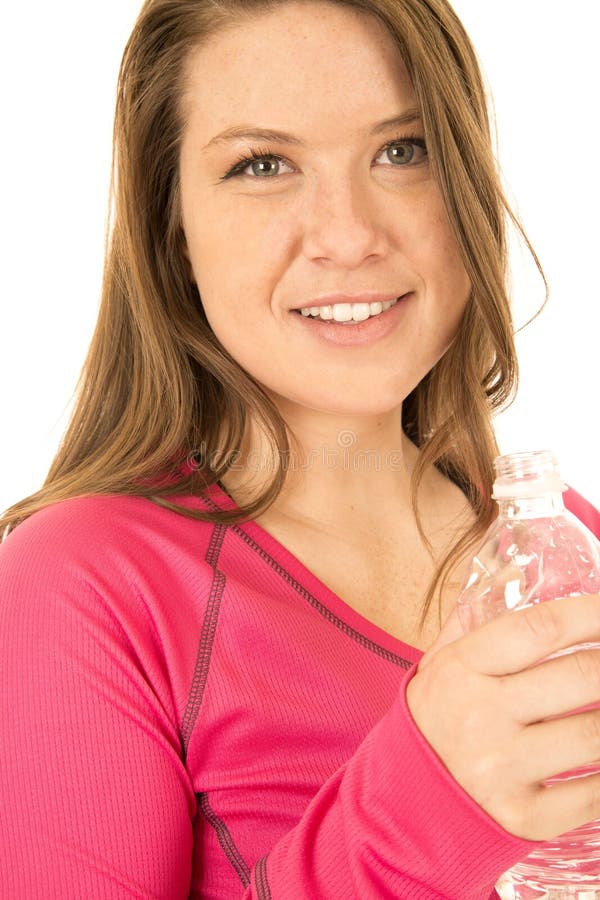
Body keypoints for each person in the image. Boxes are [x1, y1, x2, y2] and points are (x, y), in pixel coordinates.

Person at [1, 0, 599, 897]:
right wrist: (429, 807)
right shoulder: (83, 587)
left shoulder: (569, 543)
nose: (351, 236)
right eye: (263, 165)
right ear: (174, 228)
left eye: (403, 150)